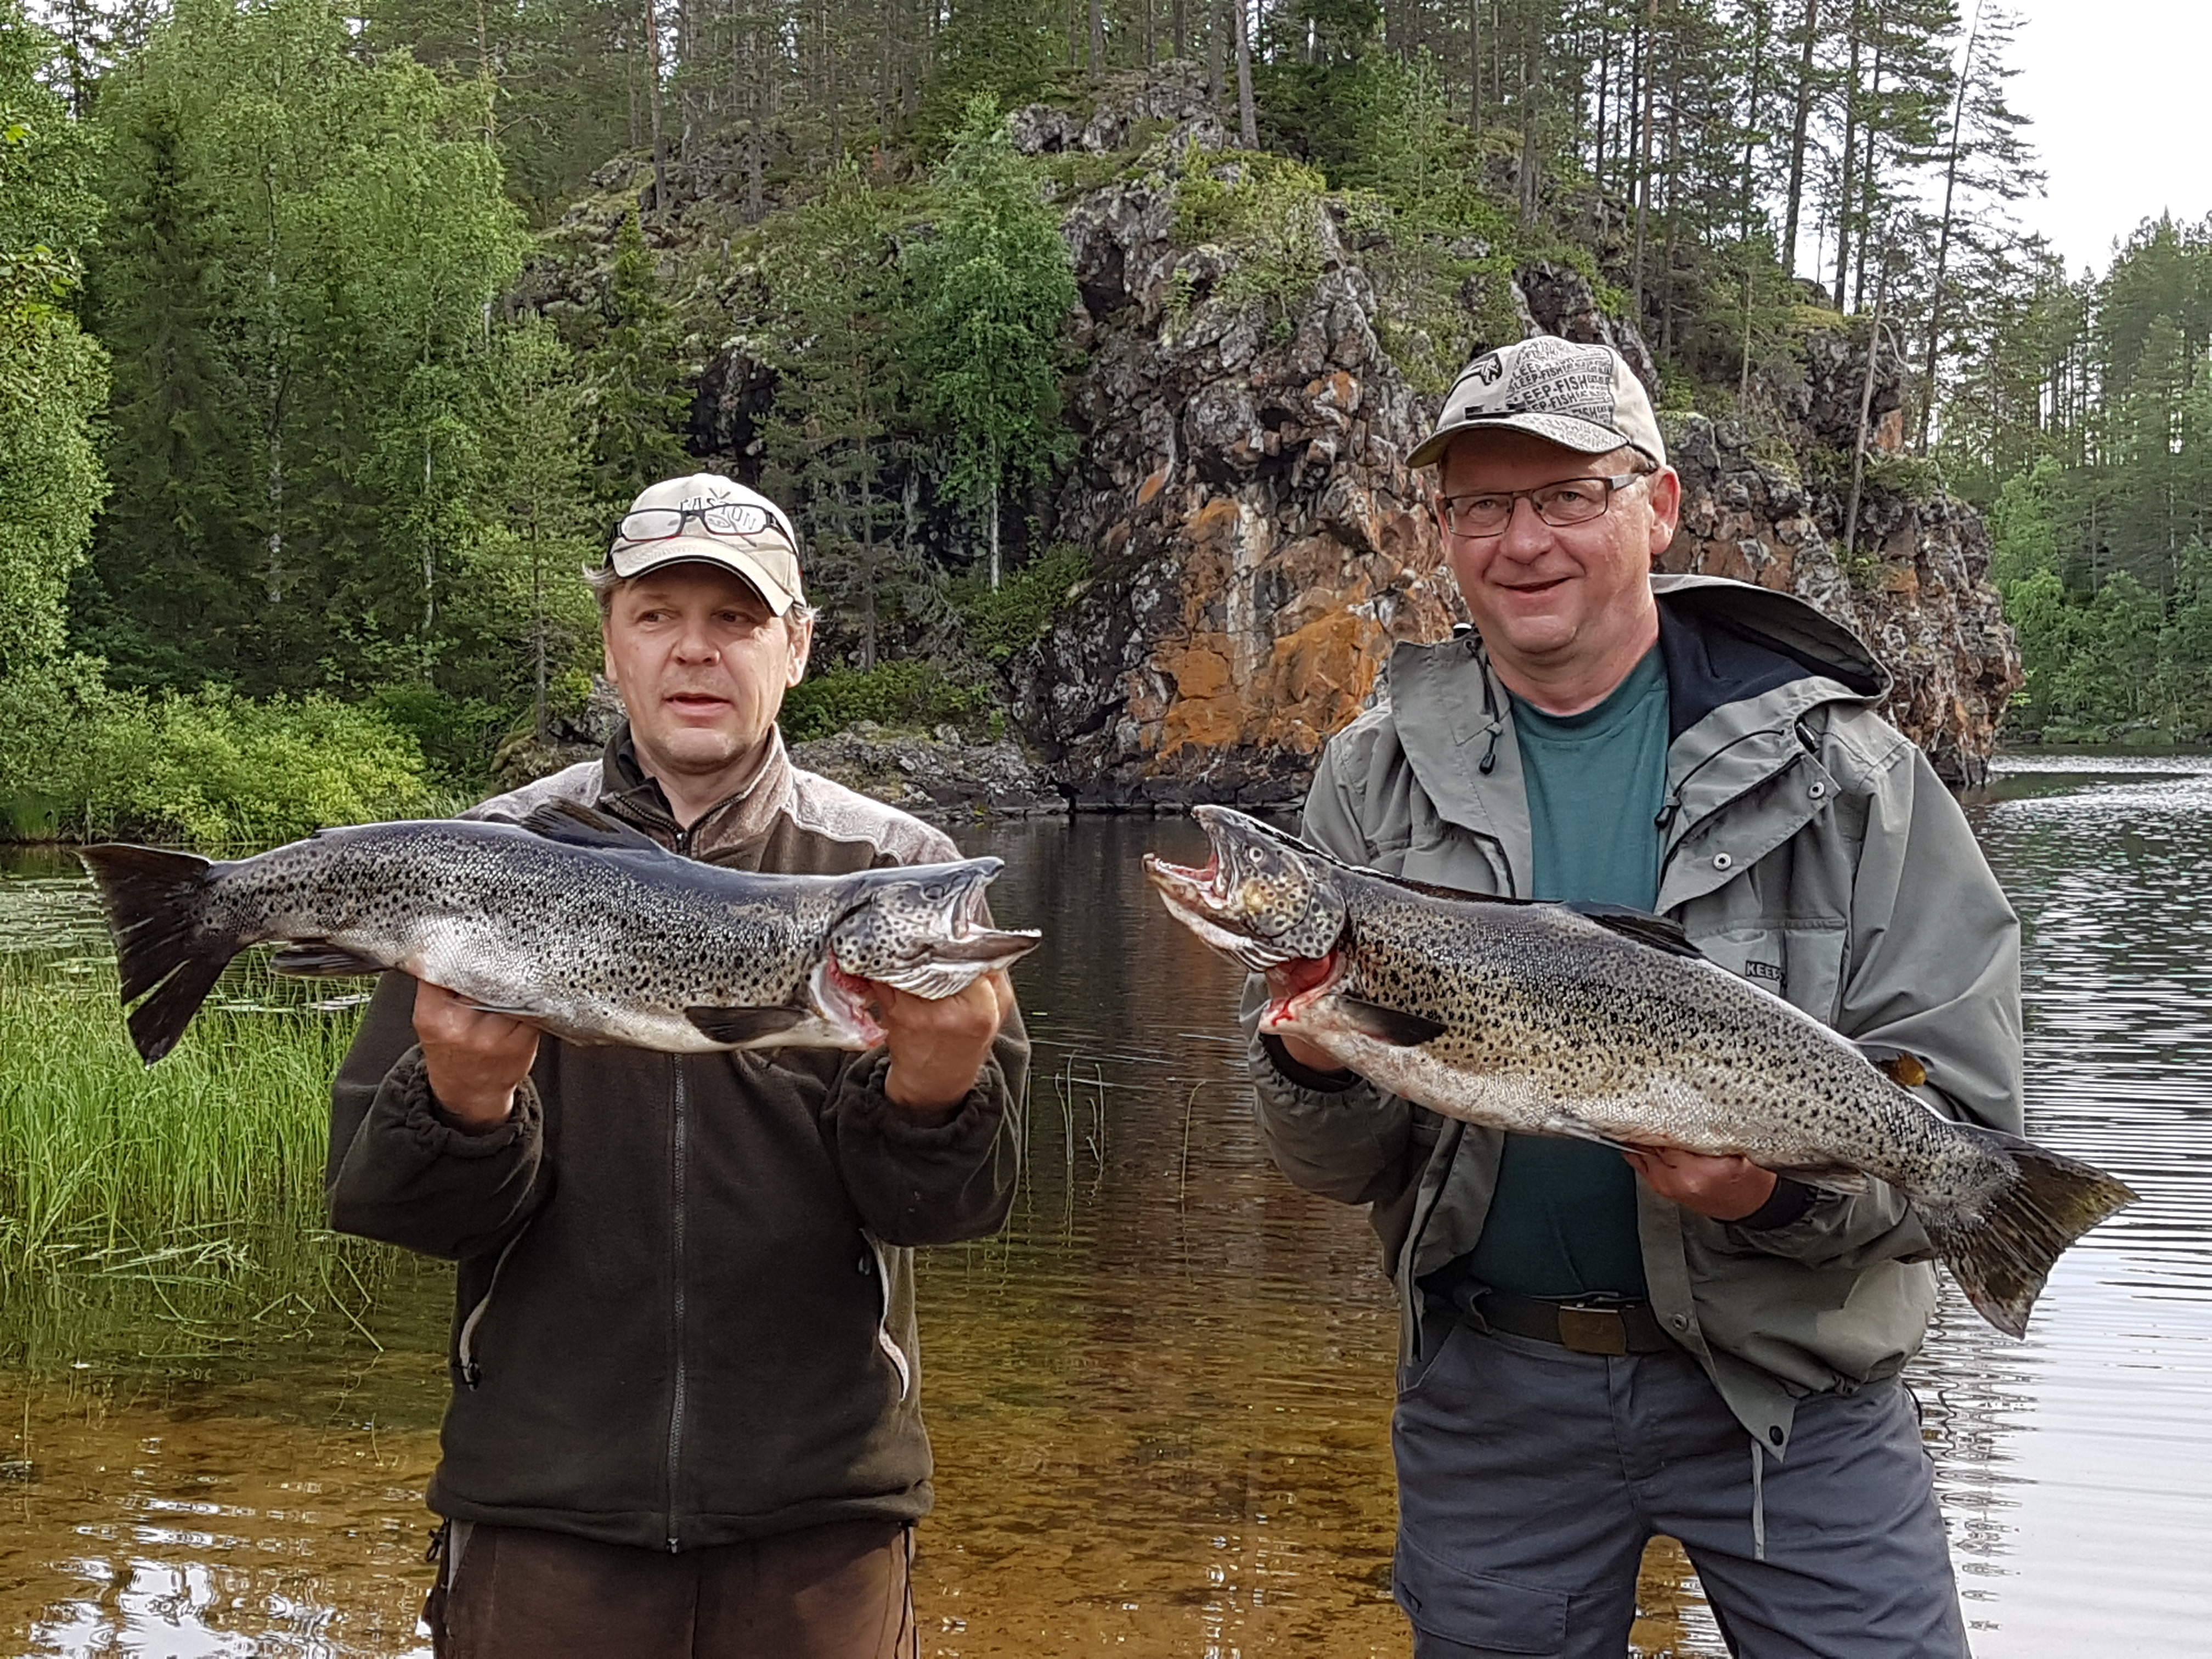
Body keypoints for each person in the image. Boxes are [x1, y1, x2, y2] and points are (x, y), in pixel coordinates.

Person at [1248, 337, 2018, 1658]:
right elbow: (1337, 1170)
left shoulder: (1853, 774)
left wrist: (1771, 1193)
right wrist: (1317, 1066)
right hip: (1496, 1402)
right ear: (1442, 533)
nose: (1522, 540)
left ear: (1658, 509)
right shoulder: (1367, 787)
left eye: (1568, 496)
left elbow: (1962, 1100)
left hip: (1800, 1399)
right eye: (1481, 505)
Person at [326, 472, 1027, 1659]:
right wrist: (466, 1099)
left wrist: (938, 1088)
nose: (695, 652)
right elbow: (392, 1206)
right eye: (659, 617)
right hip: (544, 1512)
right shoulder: (490, 859)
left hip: (822, 1525)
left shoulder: (900, 867)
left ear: (798, 647)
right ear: (611, 645)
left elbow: (953, 1211)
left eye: (738, 620)